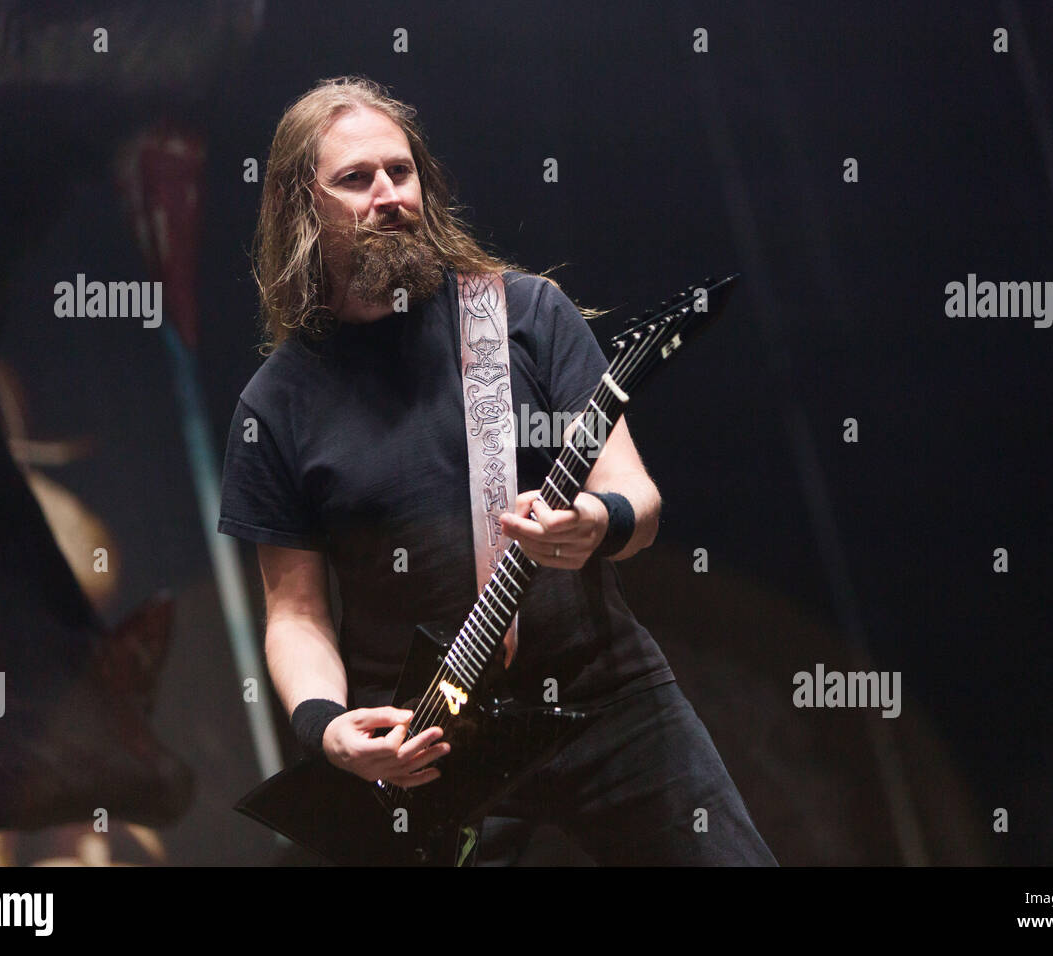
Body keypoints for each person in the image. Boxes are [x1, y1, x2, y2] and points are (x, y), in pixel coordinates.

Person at [218, 76, 777, 865]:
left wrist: (593, 524)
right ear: (299, 208)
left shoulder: (523, 315)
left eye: (400, 172)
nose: (388, 195)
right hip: (430, 737)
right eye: (355, 179)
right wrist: (326, 725)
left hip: (604, 693)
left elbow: (637, 501)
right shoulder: (275, 403)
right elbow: (295, 613)